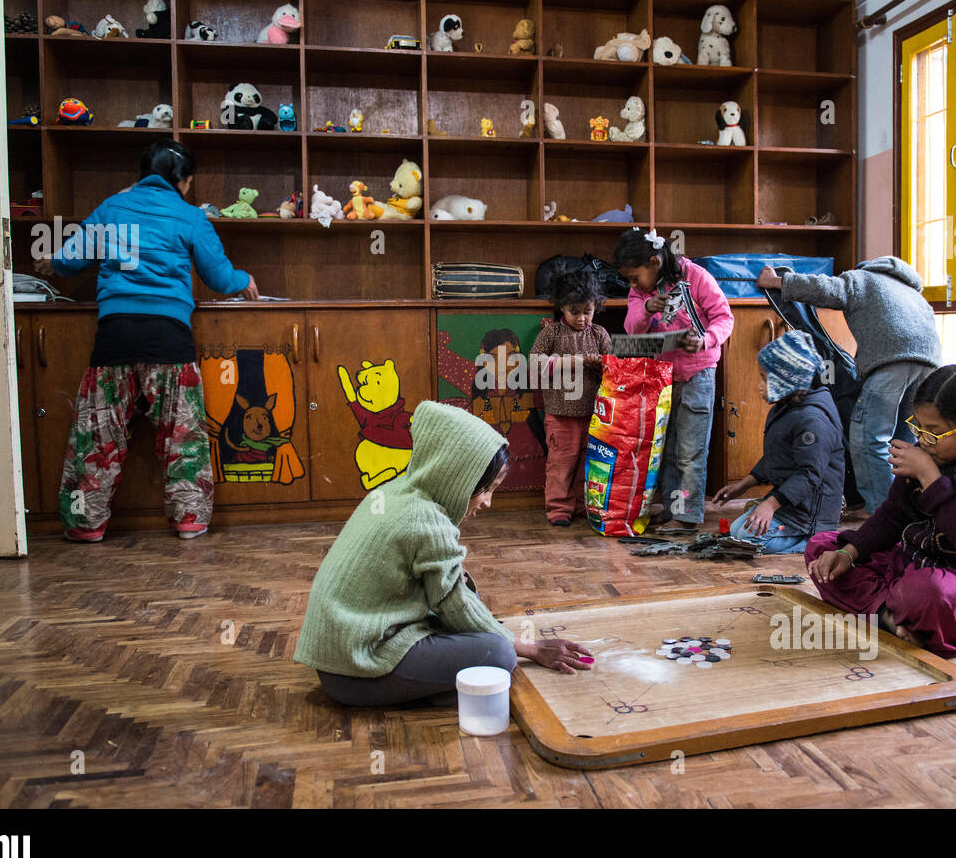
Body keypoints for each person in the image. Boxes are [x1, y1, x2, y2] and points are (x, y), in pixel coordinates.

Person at [294, 400, 594, 706]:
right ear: (457, 477)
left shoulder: (396, 491)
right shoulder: (426, 519)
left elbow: (452, 594)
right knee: (500, 653)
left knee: (474, 620)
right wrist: (532, 648)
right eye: (486, 489)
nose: (487, 502)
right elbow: (456, 606)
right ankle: (436, 692)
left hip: (339, 660)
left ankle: (436, 688)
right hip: (358, 672)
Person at [34, 140, 259, 541]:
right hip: (169, 336)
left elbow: (71, 259)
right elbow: (221, 278)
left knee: (98, 434)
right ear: (184, 182)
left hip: (115, 335)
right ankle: (190, 520)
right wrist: (244, 280)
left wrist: (51, 261)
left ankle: (86, 525)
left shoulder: (112, 208)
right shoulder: (189, 216)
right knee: (182, 433)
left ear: (139, 175)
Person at [805, 365, 956, 657]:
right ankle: (891, 618)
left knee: (928, 593)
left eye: (935, 432)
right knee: (822, 549)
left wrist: (930, 476)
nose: (923, 440)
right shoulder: (931, 450)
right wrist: (848, 553)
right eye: (919, 427)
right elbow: (892, 515)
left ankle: (890, 612)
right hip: (915, 566)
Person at [757, 256, 941, 513]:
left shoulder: (863, 278)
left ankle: (883, 515)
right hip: (931, 366)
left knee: (869, 439)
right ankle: (910, 510)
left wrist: (777, 281)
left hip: (891, 361)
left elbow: (826, 289)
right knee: (903, 443)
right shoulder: (910, 290)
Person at [616, 227, 734, 532]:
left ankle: (687, 516)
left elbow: (724, 318)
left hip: (698, 375)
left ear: (654, 263)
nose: (632, 284)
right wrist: (644, 309)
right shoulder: (640, 292)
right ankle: (671, 510)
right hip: (662, 378)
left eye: (634, 276)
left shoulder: (696, 277)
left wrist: (707, 340)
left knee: (690, 451)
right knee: (666, 450)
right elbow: (632, 331)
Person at [712, 331, 844, 553]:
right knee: (740, 529)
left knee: (744, 536)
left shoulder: (813, 420)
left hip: (811, 512)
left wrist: (771, 504)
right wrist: (744, 485)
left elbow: (809, 474)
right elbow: (778, 456)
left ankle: (819, 542)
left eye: (765, 378)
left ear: (786, 380)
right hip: (794, 502)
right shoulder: (787, 406)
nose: (760, 386)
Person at [528, 269, 612, 526]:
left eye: (588, 311)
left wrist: (601, 363)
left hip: (593, 414)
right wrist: (575, 361)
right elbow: (535, 364)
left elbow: (614, 368)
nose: (582, 319)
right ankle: (558, 508)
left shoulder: (599, 334)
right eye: (574, 312)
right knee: (561, 463)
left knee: (588, 463)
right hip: (560, 414)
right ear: (562, 307)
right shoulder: (552, 333)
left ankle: (581, 505)